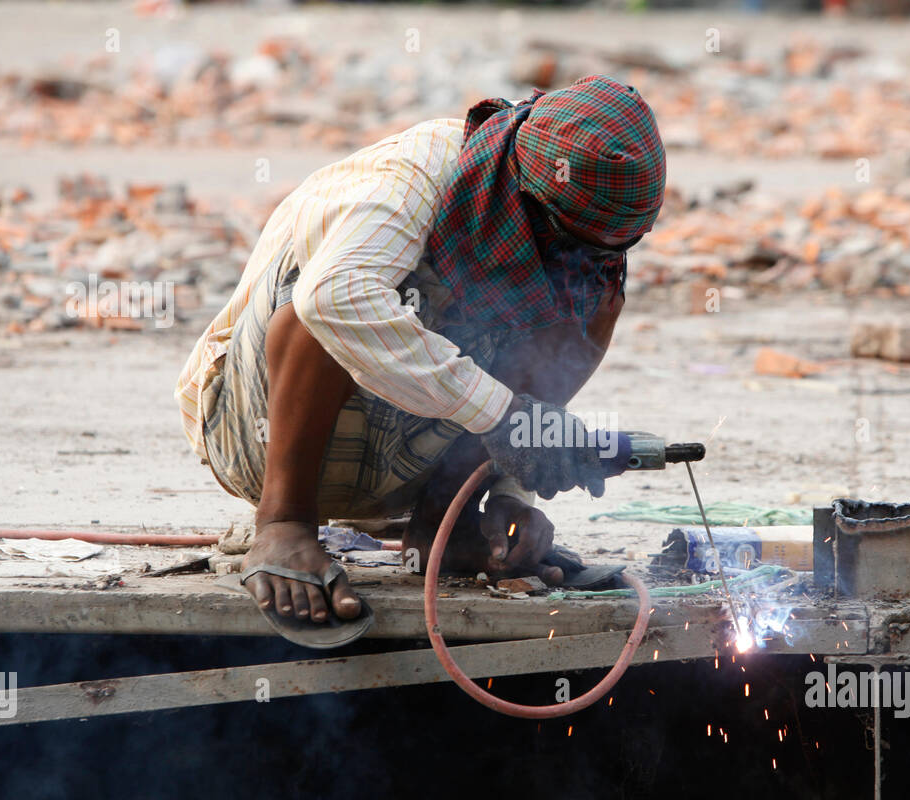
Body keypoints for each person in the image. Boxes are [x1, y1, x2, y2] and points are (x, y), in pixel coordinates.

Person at [174, 74, 665, 632]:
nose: (577, 259)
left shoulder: (580, 251)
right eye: (566, 235)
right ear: (527, 190)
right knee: (334, 295)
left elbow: (533, 385)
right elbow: (332, 301)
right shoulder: (411, 178)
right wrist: (503, 417)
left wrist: (509, 483)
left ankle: (440, 531)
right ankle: (284, 525)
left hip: (406, 467)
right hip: (258, 442)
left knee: (592, 296)